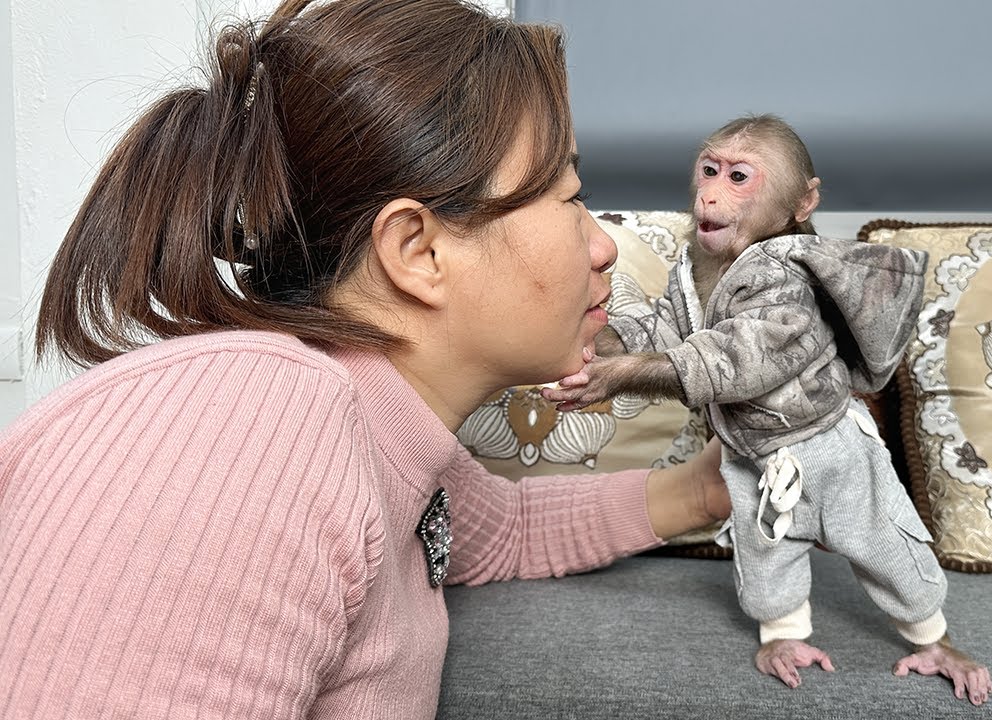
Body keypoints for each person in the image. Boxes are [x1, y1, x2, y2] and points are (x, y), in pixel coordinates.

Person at [0, 1, 730, 718]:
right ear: (419, 250)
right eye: (571, 198)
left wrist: (708, 489)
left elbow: (506, 530)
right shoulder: (247, 432)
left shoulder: (385, 442)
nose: (602, 246)